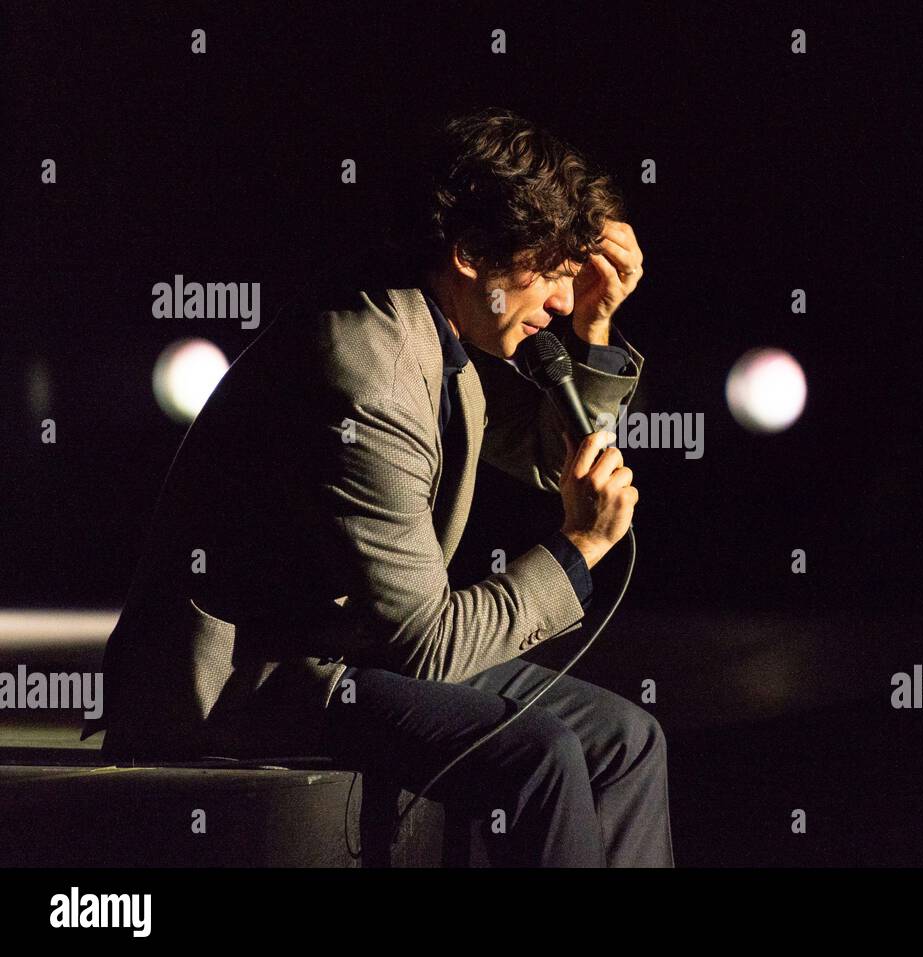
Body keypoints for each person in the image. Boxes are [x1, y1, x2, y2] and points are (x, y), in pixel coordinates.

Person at [83, 107, 674, 867]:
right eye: (552, 274)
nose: (560, 302)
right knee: (540, 755)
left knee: (625, 742)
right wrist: (578, 548)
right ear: (468, 253)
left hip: (348, 647)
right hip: (251, 677)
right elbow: (427, 648)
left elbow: (537, 454)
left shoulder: (436, 325)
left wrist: (593, 325)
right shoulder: (372, 373)